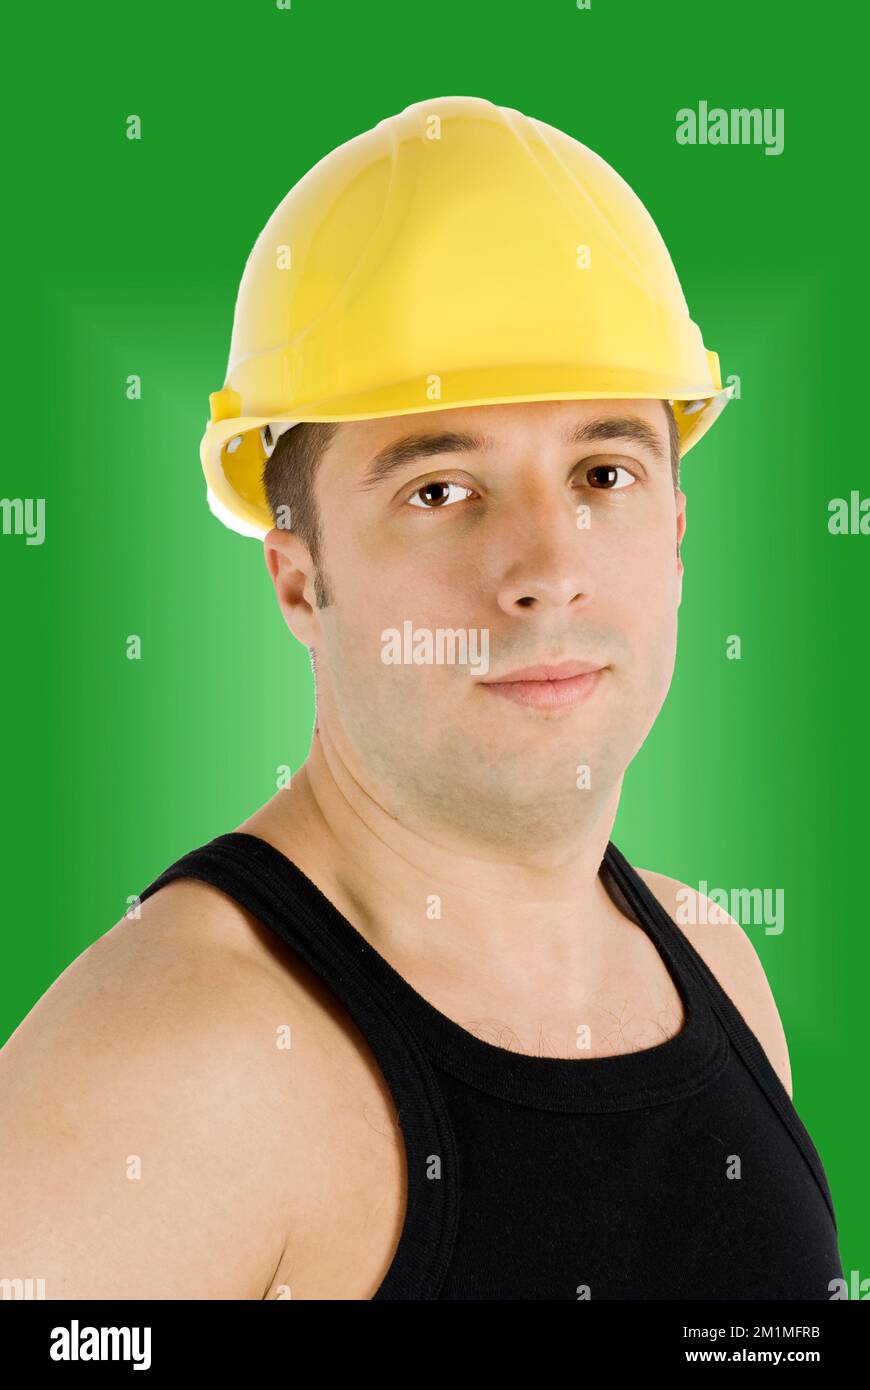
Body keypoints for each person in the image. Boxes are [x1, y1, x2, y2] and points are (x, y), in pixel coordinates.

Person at [0, 96, 843, 1300]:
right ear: (299, 573)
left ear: (675, 531)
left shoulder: (717, 966)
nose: (547, 571)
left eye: (603, 471)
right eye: (442, 489)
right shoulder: (165, 1071)